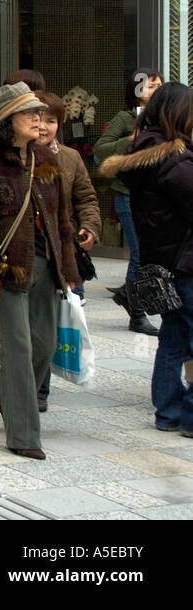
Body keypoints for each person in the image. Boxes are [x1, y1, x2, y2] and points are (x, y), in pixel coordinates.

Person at [0, 82, 79, 460]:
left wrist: (70, 267)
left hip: (46, 264)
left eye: (40, 113)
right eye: (29, 113)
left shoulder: (46, 156)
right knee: (18, 347)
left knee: (44, 346)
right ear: (6, 121)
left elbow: (61, 217)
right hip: (5, 267)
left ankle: (2, 394)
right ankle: (25, 435)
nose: (39, 119)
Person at [100, 83, 193, 435]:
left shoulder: (144, 156)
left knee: (173, 338)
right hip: (185, 261)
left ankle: (168, 413)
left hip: (163, 261)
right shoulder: (175, 160)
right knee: (180, 336)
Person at [36, 91, 101, 409]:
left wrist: (89, 227)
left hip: (65, 251)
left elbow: (86, 197)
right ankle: (35, 389)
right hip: (32, 252)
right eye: (39, 119)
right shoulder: (15, 156)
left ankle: (37, 386)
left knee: (57, 321)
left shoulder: (71, 158)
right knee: (36, 325)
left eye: (51, 120)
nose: (44, 127)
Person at [94, 66, 163, 336]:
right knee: (139, 253)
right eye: (150, 85)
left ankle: (128, 292)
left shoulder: (165, 117)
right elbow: (101, 150)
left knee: (147, 253)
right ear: (136, 89)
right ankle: (137, 313)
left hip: (157, 195)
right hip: (128, 193)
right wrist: (130, 139)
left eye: (159, 85)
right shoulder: (125, 118)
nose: (156, 90)